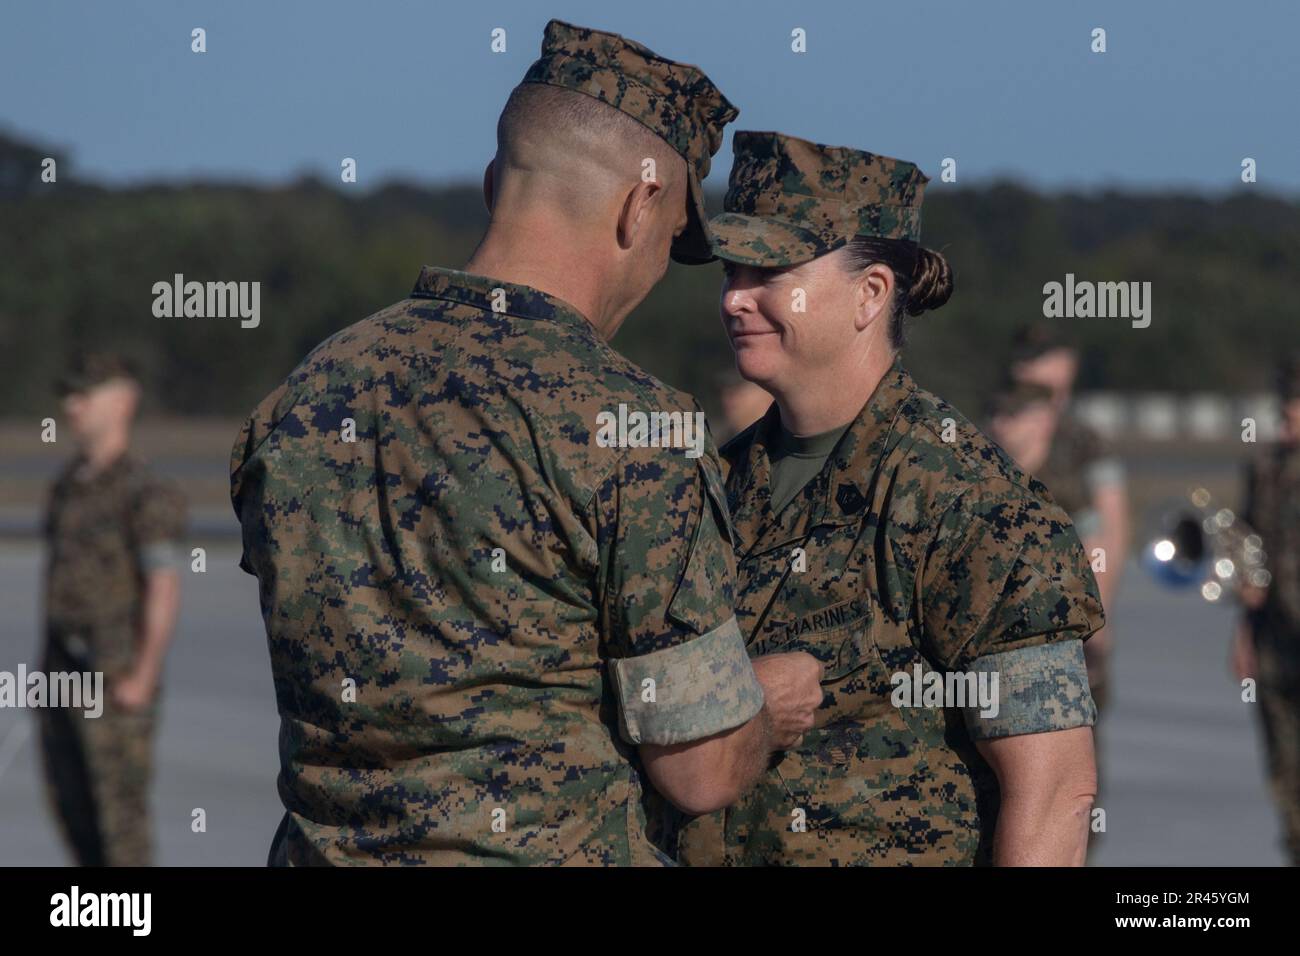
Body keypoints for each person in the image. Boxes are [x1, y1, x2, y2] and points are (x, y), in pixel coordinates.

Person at [230, 20, 822, 867]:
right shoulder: (634, 429)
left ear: (491, 185)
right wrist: (763, 706)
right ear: (640, 206)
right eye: (671, 239)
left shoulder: (303, 397)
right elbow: (699, 769)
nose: (660, 270)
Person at [677, 132, 1105, 866]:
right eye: (731, 271)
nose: (736, 297)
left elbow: (1054, 791)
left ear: (871, 294)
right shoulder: (712, 484)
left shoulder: (969, 503)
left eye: (770, 271)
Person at [39, 351, 187, 866]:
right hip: (61, 677)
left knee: (121, 829)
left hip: (114, 680)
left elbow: (163, 585)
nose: (71, 406)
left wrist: (143, 676)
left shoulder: (145, 491)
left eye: (85, 394)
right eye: (68, 395)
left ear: (124, 401)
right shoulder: (67, 485)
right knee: (74, 817)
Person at [1007, 324, 1130, 713]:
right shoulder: (999, 426)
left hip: (1073, 611)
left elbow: (1112, 527)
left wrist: (1098, 613)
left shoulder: (1084, 441)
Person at [1233, 351, 1300, 864]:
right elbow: (1247, 546)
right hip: (1276, 645)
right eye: (1286, 400)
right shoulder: (1266, 469)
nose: (1290, 411)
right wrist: (1244, 633)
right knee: (1286, 776)